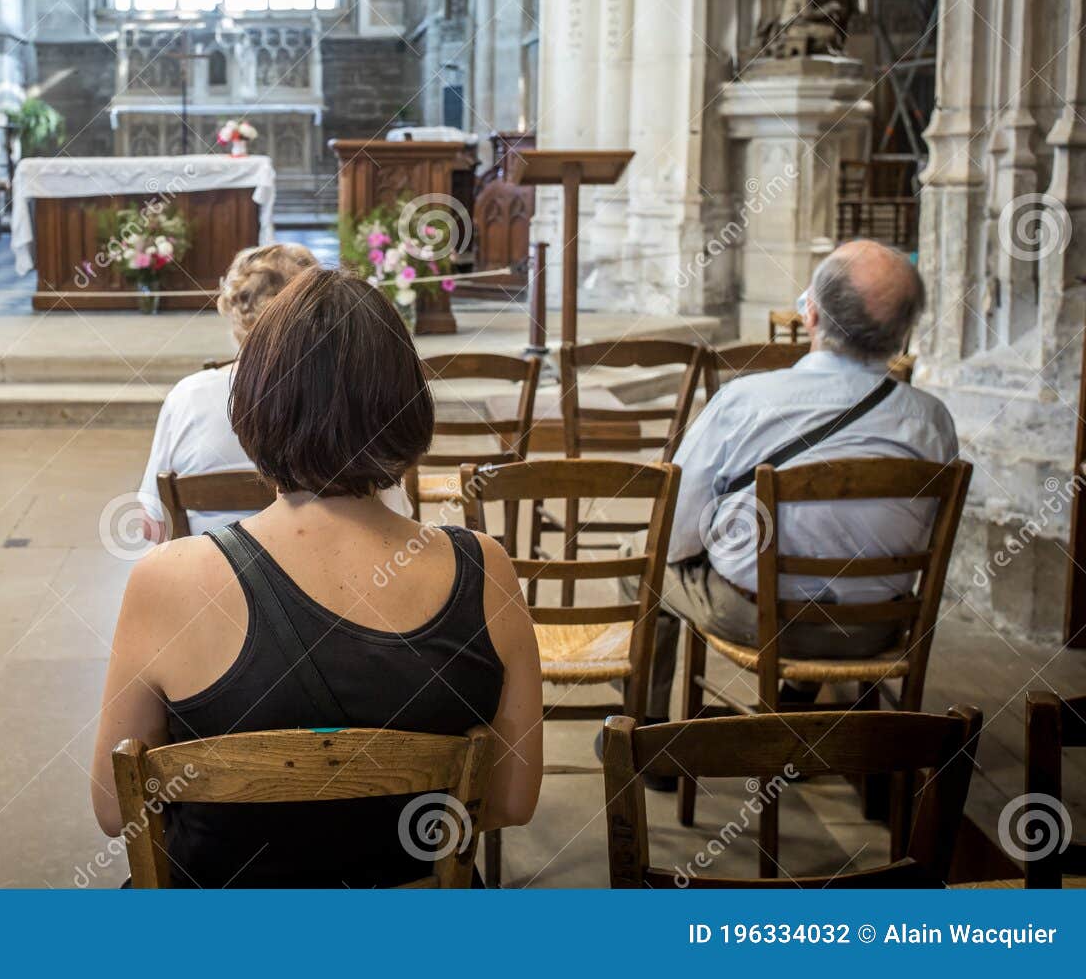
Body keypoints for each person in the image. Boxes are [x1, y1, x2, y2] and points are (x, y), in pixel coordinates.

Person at [93, 270, 543, 886]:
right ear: (407, 407)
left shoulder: (167, 580)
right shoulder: (483, 568)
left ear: (253, 407)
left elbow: (115, 810)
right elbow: (514, 802)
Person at [626, 240, 959, 760]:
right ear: (903, 334)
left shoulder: (746, 400)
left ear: (812, 315)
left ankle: (646, 739)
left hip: (759, 619)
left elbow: (671, 531)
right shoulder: (933, 420)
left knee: (640, 558)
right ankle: (793, 712)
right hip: (876, 629)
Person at [138, 242, 407, 541]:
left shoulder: (188, 396)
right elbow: (395, 516)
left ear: (236, 313)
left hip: (213, 576)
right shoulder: (348, 392)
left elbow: (153, 523)